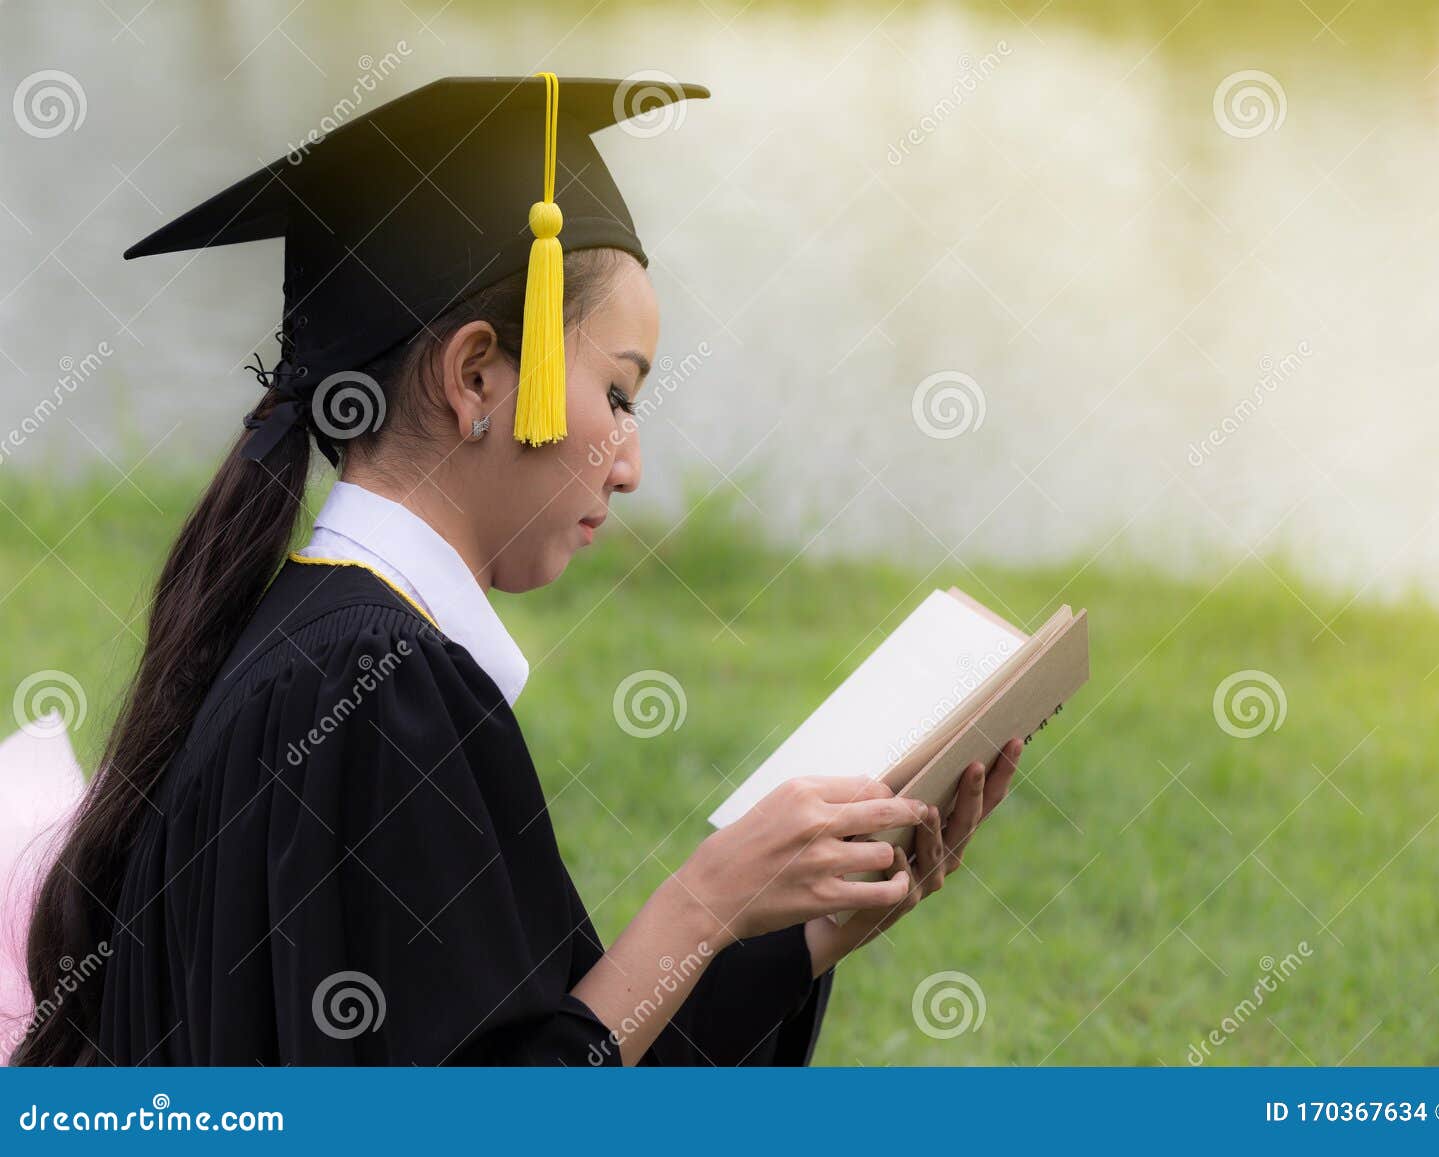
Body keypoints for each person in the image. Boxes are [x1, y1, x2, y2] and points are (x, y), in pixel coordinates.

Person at [10, 74, 1024, 1066]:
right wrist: (705, 897)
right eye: (618, 394)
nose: (629, 464)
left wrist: (800, 930)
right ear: (478, 377)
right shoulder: (376, 690)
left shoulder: (317, 642)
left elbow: (547, 1055)